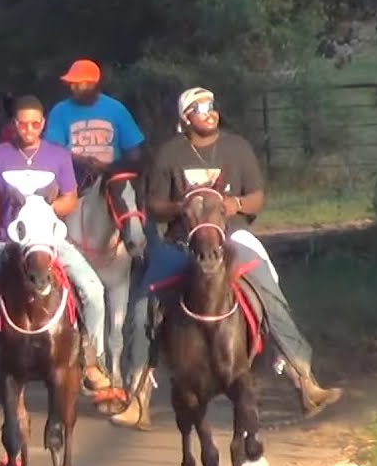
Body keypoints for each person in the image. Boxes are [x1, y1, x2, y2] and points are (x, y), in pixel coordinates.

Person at [118, 87, 343, 420]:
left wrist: (234, 204)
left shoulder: (237, 148)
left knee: (268, 290)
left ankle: (304, 379)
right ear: (185, 118)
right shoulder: (170, 154)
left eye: (211, 105)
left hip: (233, 235)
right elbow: (153, 205)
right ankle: (137, 396)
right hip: (183, 240)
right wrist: (181, 208)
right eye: (199, 107)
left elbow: (256, 196)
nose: (208, 111)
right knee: (142, 304)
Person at [0, 96, 118, 406]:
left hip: (49, 240)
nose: (29, 129)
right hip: (10, 240)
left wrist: (44, 207)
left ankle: (92, 360)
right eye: (23, 123)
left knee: (93, 291)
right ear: (14, 125)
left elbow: (70, 199)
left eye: (35, 123)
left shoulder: (58, 156)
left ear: (42, 124)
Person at [44, 59, 146, 178]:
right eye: (71, 83)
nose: (72, 87)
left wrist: (110, 168)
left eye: (77, 83)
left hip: (112, 177)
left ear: (92, 84)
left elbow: (134, 152)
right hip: (73, 177)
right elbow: (53, 150)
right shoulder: (60, 111)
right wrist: (81, 161)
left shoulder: (116, 109)